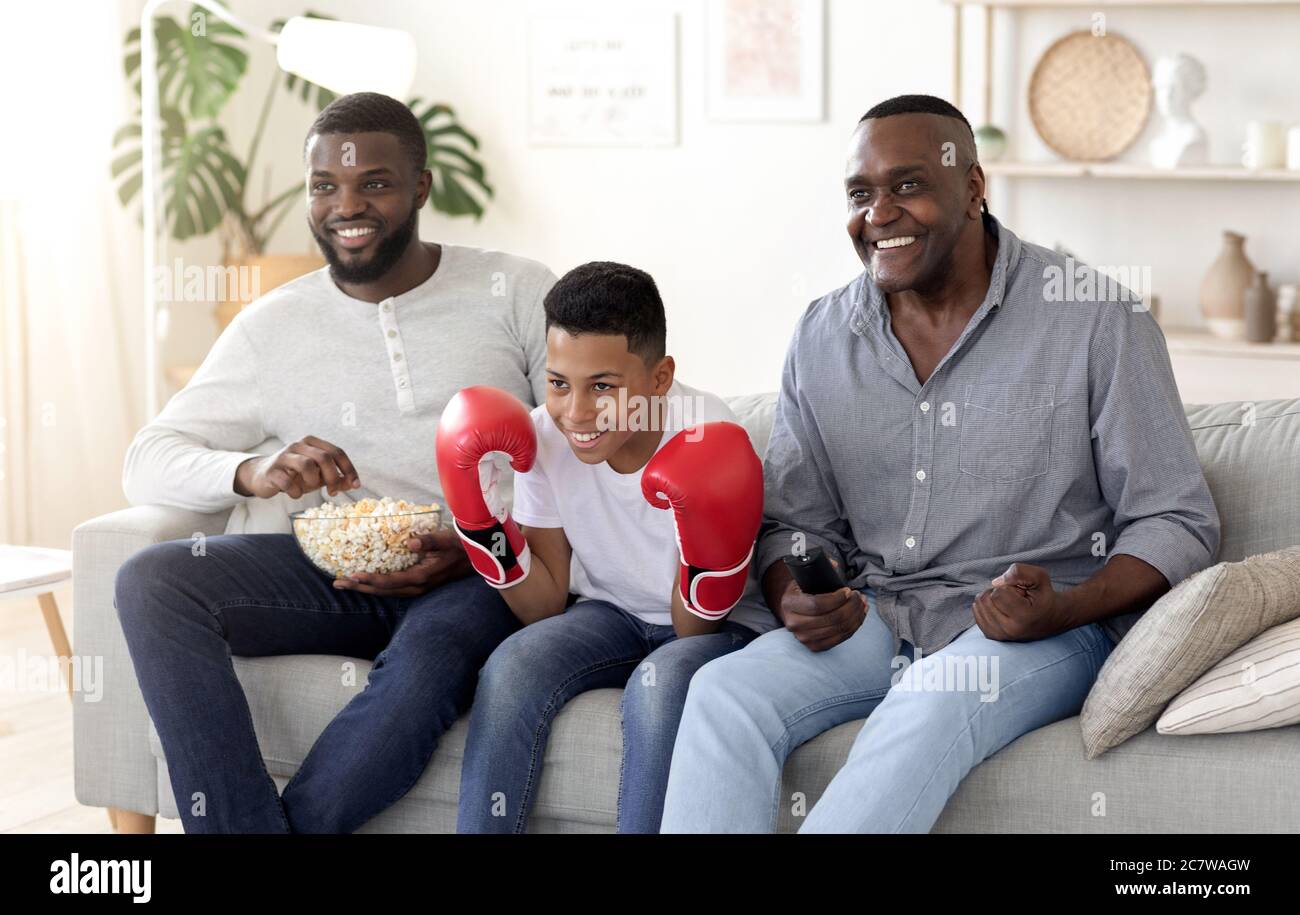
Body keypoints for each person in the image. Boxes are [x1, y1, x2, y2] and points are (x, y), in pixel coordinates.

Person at [659, 95, 1221, 834]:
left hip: (1033, 633)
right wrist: (792, 588)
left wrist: (1063, 607)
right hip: (875, 612)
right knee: (721, 694)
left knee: (929, 701)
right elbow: (794, 523)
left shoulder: (1095, 320)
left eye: (908, 186)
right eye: (861, 194)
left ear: (975, 188)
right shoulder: (823, 335)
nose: (879, 213)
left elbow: (1176, 519)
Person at [114, 92, 555, 833]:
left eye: (373, 183)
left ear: (419, 187)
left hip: (480, 571)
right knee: (153, 581)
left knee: (429, 660)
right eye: (325, 186)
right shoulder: (270, 328)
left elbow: (583, 447)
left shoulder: (514, 291)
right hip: (335, 572)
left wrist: (485, 542)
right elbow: (146, 458)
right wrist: (253, 470)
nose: (345, 205)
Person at [440, 262, 776, 833]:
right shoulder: (544, 433)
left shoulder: (706, 431)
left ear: (660, 378)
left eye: (602, 386)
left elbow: (690, 629)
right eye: (558, 383)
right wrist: (483, 531)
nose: (576, 413)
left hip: (718, 625)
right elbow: (543, 604)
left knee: (662, 686)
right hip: (610, 613)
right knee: (512, 666)